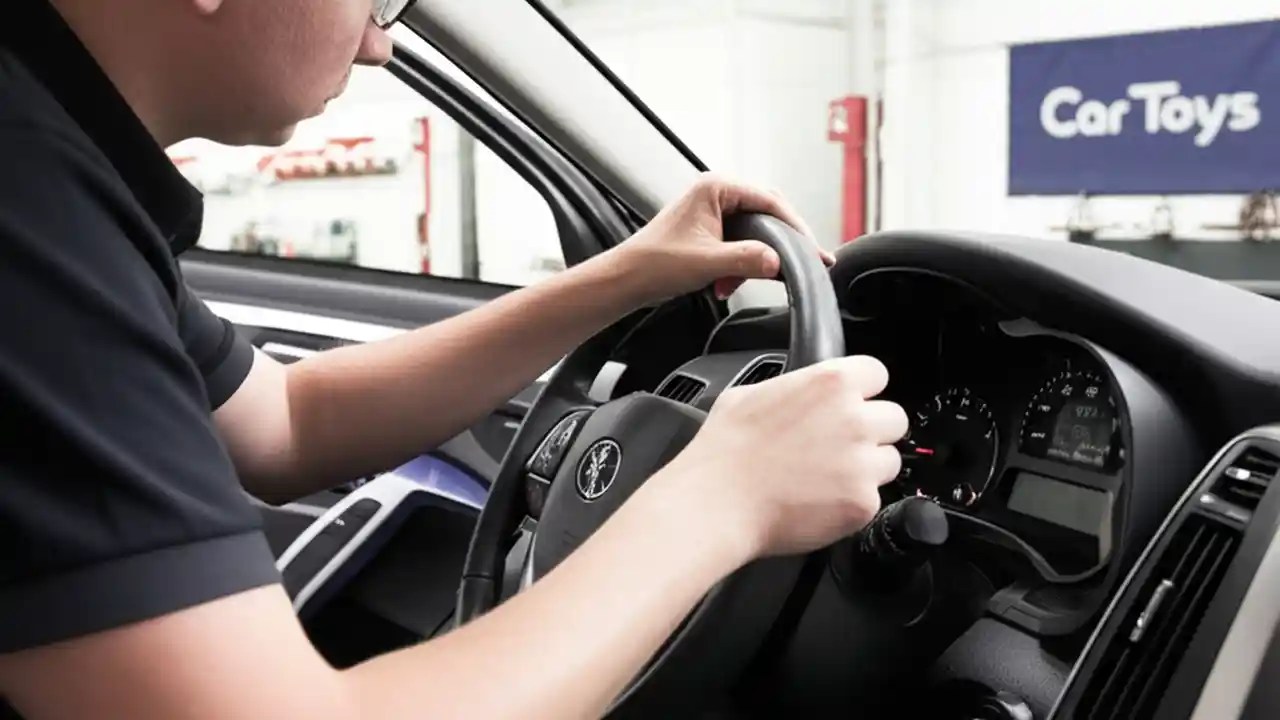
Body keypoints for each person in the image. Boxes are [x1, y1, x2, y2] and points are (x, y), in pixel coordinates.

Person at [0, 0, 908, 718]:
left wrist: (623, 277)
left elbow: (285, 422)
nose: (378, 45)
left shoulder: (59, 172)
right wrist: (724, 497)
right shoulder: (29, 217)